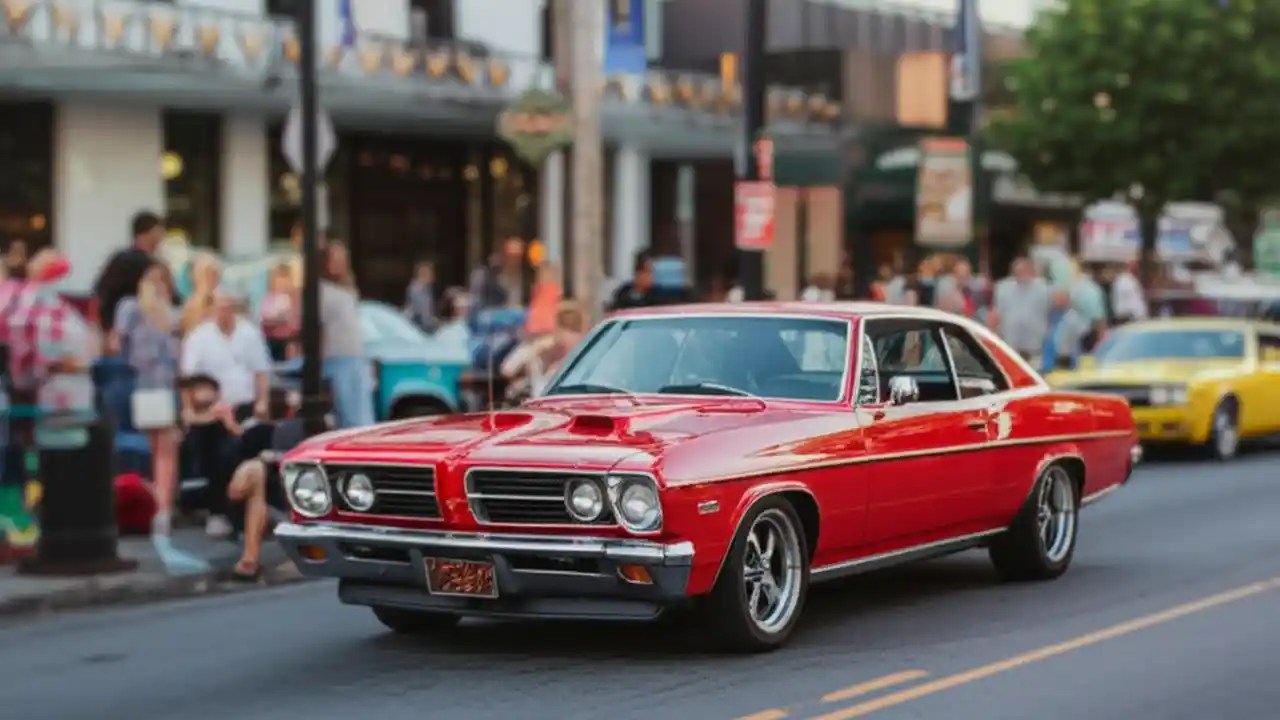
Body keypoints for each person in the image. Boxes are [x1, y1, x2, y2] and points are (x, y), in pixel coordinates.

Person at [114, 263, 182, 535]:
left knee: (152, 449)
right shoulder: (170, 314)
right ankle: (162, 509)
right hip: (164, 386)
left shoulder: (129, 309)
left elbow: (119, 344)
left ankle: (155, 505)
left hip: (140, 385)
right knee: (166, 452)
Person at [320, 243, 375, 429]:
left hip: (356, 357)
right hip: (336, 359)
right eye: (336, 260)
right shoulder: (320, 290)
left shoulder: (348, 287)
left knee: (362, 416)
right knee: (347, 415)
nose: (341, 264)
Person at [94, 211, 166, 334]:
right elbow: (106, 296)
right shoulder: (126, 261)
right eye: (158, 231)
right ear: (147, 233)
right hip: (130, 327)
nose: (161, 236)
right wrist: (109, 328)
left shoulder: (155, 262)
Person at [990, 257, 1051, 366]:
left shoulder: (1043, 288)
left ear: (1032, 271)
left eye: (1025, 270)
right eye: (1019, 271)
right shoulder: (1003, 288)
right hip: (1010, 349)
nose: (1023, 274)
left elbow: (1054, 308)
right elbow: (995, 314)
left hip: (1035, 350)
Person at [260, 263, 299, 361]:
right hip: (271, 339)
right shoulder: (268, 299)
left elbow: (296, 320)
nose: (282, 285)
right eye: (279, 282)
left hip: (289, 340)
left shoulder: (294, 298)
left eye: (285, 281)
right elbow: (264, 319)